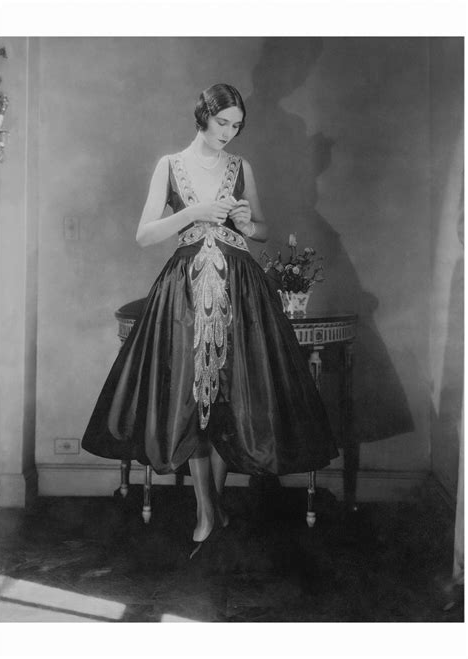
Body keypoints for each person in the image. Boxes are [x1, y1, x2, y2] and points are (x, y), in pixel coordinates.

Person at [81, 83, 339, 556]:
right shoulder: (169, 166)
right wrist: (196, 212)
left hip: (241, 288)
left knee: (228, 396)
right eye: (223, 122)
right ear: (203, 116)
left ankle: (214, 505)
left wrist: (246, 222)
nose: (229, 132)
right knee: (191, 396)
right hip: (184, 290)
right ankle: (206, 510)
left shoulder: (242, 167)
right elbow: (144, 235)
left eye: (236, 126)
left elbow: (261, 231)